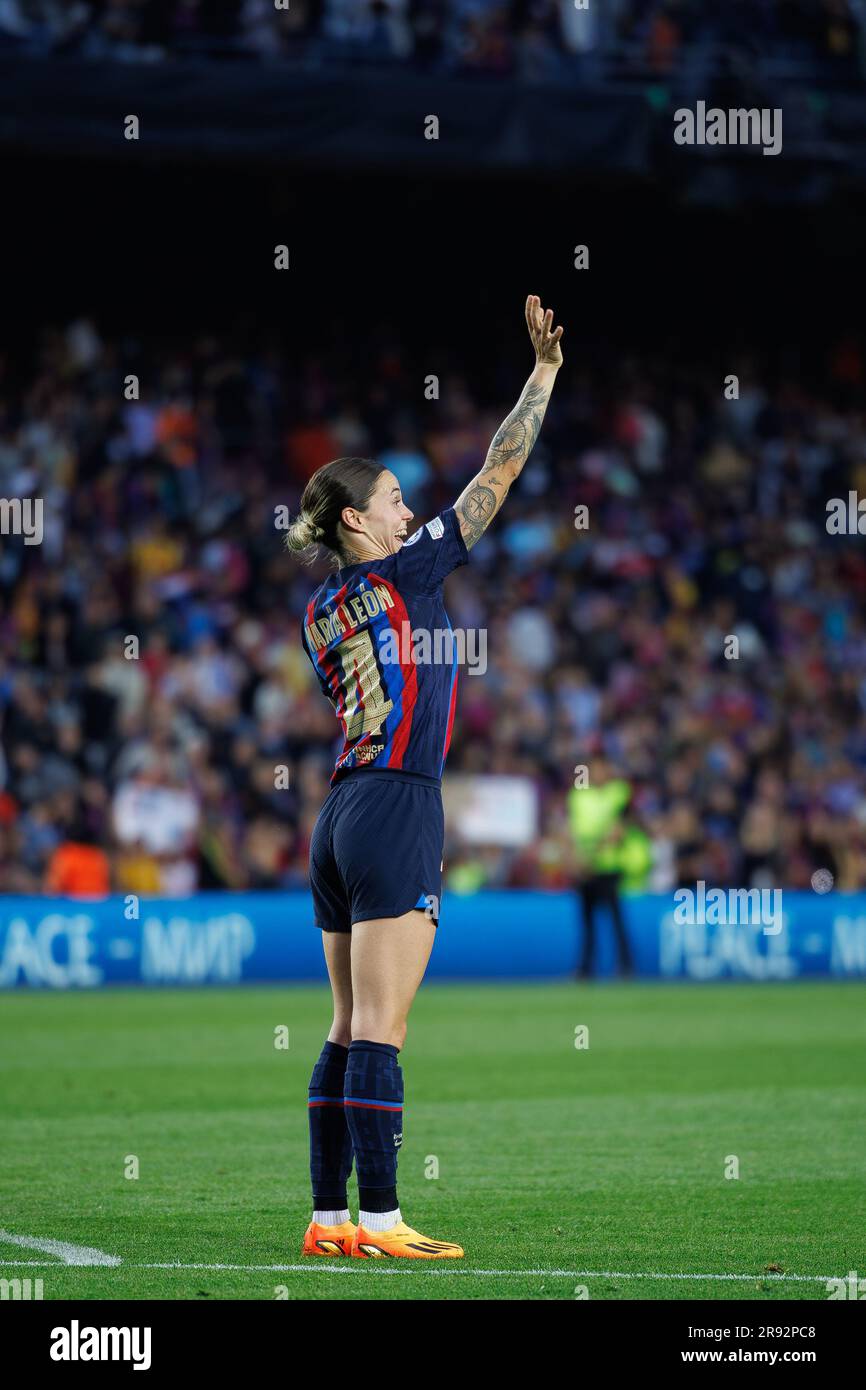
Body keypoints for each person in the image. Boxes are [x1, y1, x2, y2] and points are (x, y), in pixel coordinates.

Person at [285, 295, 564, 1258]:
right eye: (398, 499)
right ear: (360, 522)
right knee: (383, 1031)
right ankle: (387, 1218)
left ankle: (330, 1218)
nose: (413, 510)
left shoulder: (321, 612)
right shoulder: (405, 574)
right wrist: (542, 376)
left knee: (343, 1022)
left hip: (339, 815)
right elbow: (501, 469)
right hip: (400, 803)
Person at [567, 757, 635, 979]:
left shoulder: (618, 793)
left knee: (616, 920)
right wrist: (577, 860)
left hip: (608, 867)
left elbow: (618, 830)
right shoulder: (578, 797)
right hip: (584, 870)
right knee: (586, 923)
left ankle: (625, 967)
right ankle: (586, 968)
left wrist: (590, 857)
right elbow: (572, 831)